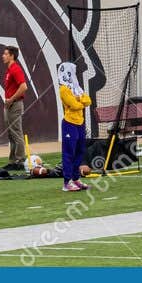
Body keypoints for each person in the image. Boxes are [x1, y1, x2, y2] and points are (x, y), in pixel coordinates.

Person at [58, 61, 92, 192]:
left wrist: (80, 100)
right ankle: (67, 182)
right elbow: (74, 105)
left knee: (80, 151)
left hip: (80, 123)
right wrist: (80, 100)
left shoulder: (76, 87)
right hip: (69, 123)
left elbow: (88, 100)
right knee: (69, 153)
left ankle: (76, 178)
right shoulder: (64, 89)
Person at [1, 47, 28, 170]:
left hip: (15, 104)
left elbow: (23, 87)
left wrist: (11, 99)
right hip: (9, 105)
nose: (3, 56)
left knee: (16, 133)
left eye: (6, 54)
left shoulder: (15, 69)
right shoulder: (9, 70)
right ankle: (12, 161)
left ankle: (20, 160)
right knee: (11, 134)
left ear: (12, 56)